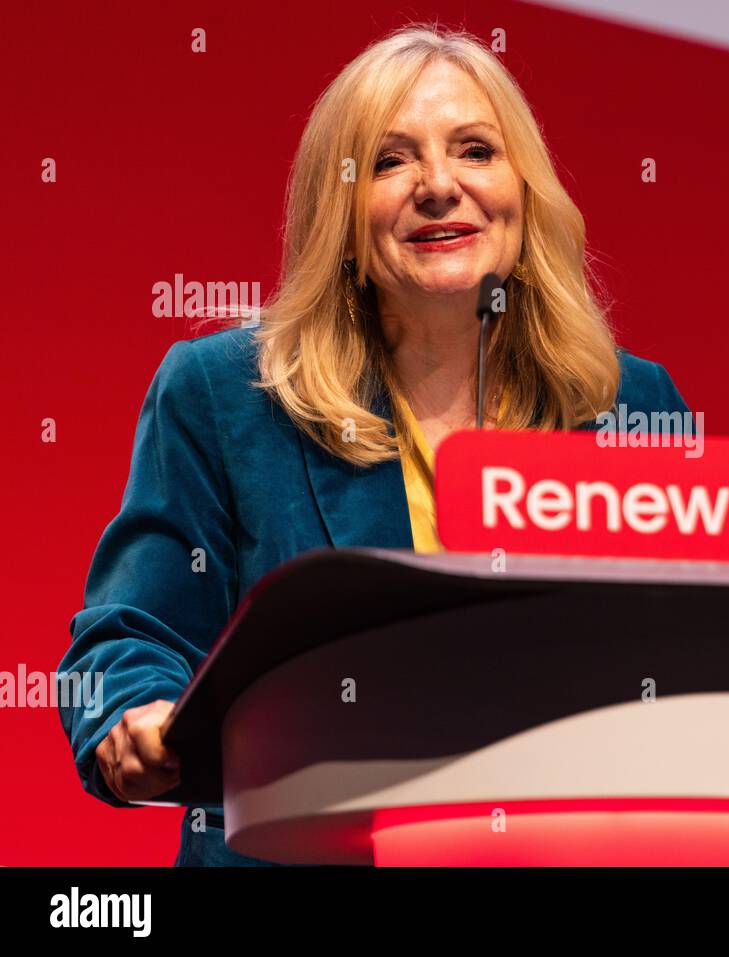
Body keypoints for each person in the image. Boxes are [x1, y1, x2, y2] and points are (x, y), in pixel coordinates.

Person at [57, 23, 691, 866]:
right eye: (390, 161)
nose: (439, 186)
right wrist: (135, 715)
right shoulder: (225, 394)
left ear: (525, 191)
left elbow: (689, 660)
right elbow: (125, 636)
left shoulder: (632, 403)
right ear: (340, 212)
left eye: (475, 150)